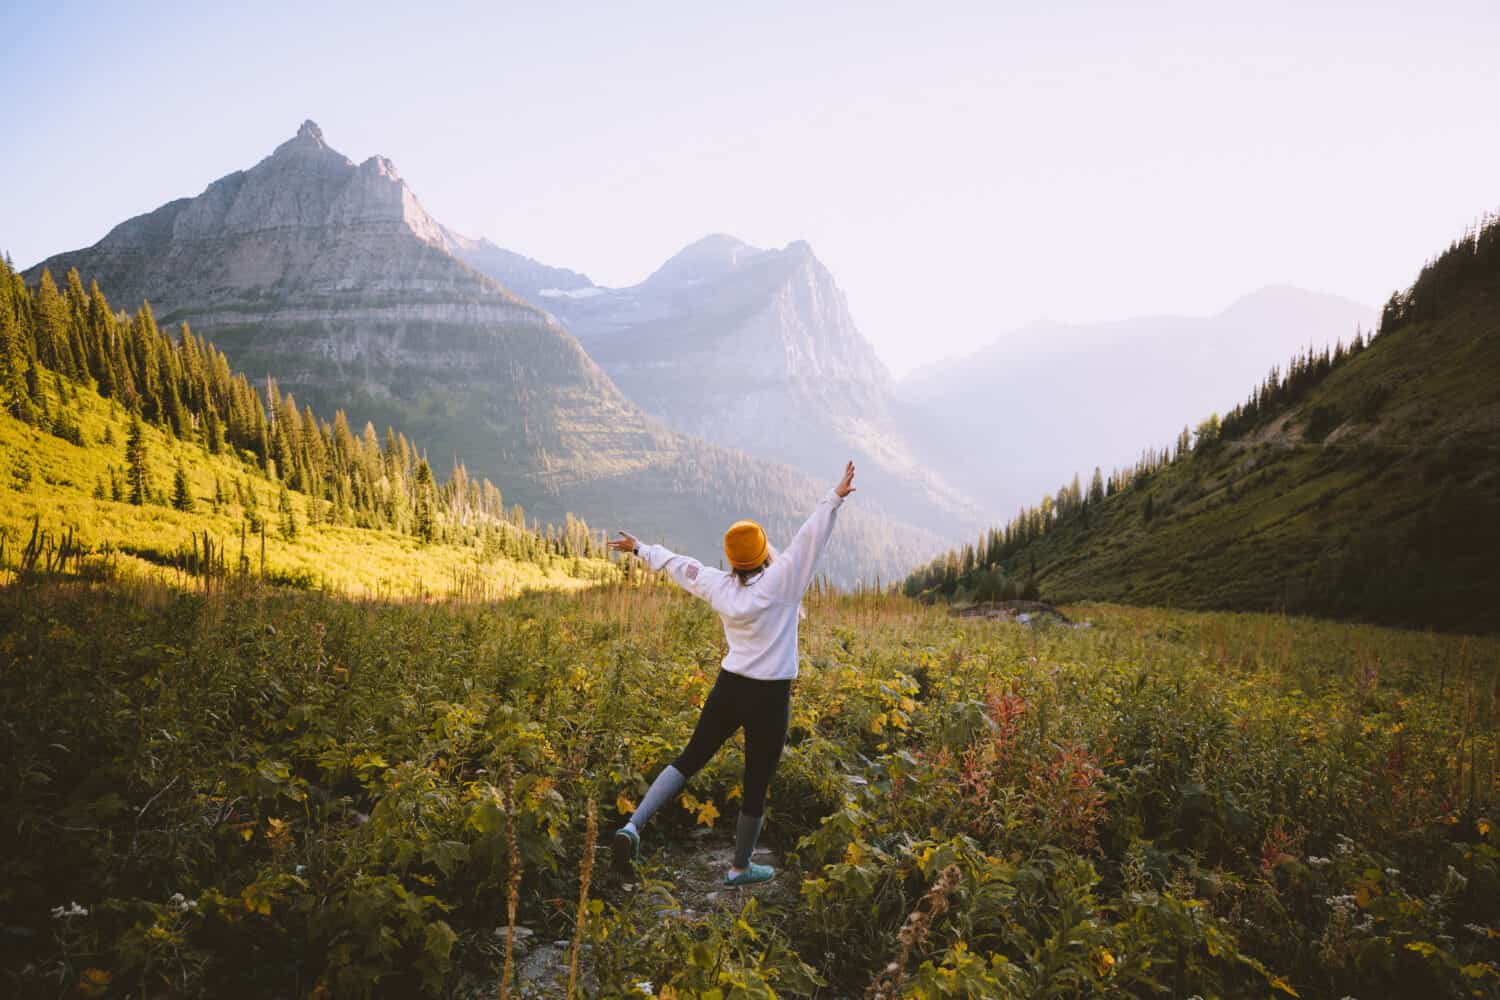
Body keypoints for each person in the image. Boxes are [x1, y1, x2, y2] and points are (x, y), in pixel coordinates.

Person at [606, 461, 857, 886]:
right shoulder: (782, 582)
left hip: (730, 686)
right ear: (763, 553)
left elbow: (680, 565)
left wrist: (639, 549)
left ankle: (633, 826)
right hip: (770, 697)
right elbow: (808, 539)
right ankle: (740, 867)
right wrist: (834, 497)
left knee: (690, 758)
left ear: (732, 559)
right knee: (756, 781)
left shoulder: (718, 585)